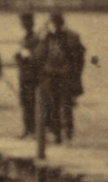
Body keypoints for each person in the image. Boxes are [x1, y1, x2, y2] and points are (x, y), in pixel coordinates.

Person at [42, 12, 86, 143]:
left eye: (55, 22)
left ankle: (68, 134)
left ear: (60, 23)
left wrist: (74, 76)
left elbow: (79, 59)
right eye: (52, 23)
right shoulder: (48, 37)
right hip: (51, 75)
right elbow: (42, 54)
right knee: (53, 106)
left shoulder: (71, 36)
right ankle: (57, 135)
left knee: (66, 107)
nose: (54, 25)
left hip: (66, 76)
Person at [14, 11, 41, 138]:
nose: (24, 24)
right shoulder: (24, 38)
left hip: (33, 76)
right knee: (24, 103)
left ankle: (35, 130)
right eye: (23, 22)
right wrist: (18, 57)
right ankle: (27, 129)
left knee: (33, 103)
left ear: (32, 23)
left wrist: (26, 57)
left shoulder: (36, 38)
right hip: (24, 75)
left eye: (27, 21)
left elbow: (38, 57)